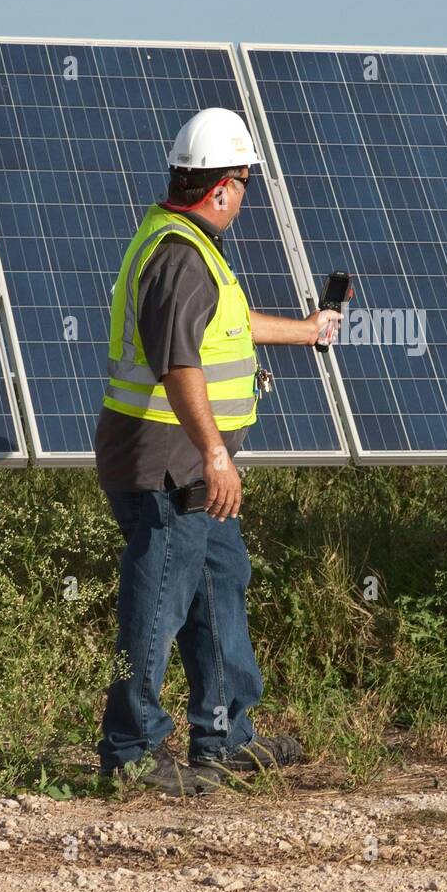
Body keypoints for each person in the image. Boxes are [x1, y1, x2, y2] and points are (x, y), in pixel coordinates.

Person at [94, 108, 341, 795]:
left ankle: (224, 735)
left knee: (219, 584)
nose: (245, 197)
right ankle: (132, 750)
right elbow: (179, 365)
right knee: (158, 602)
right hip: (168, 464)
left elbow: (225, 325)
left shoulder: (192, 248)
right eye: (244, 183)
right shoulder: (179, 256)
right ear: (223, 187)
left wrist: (307, 330)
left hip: (189, 464)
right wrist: (216, 455)